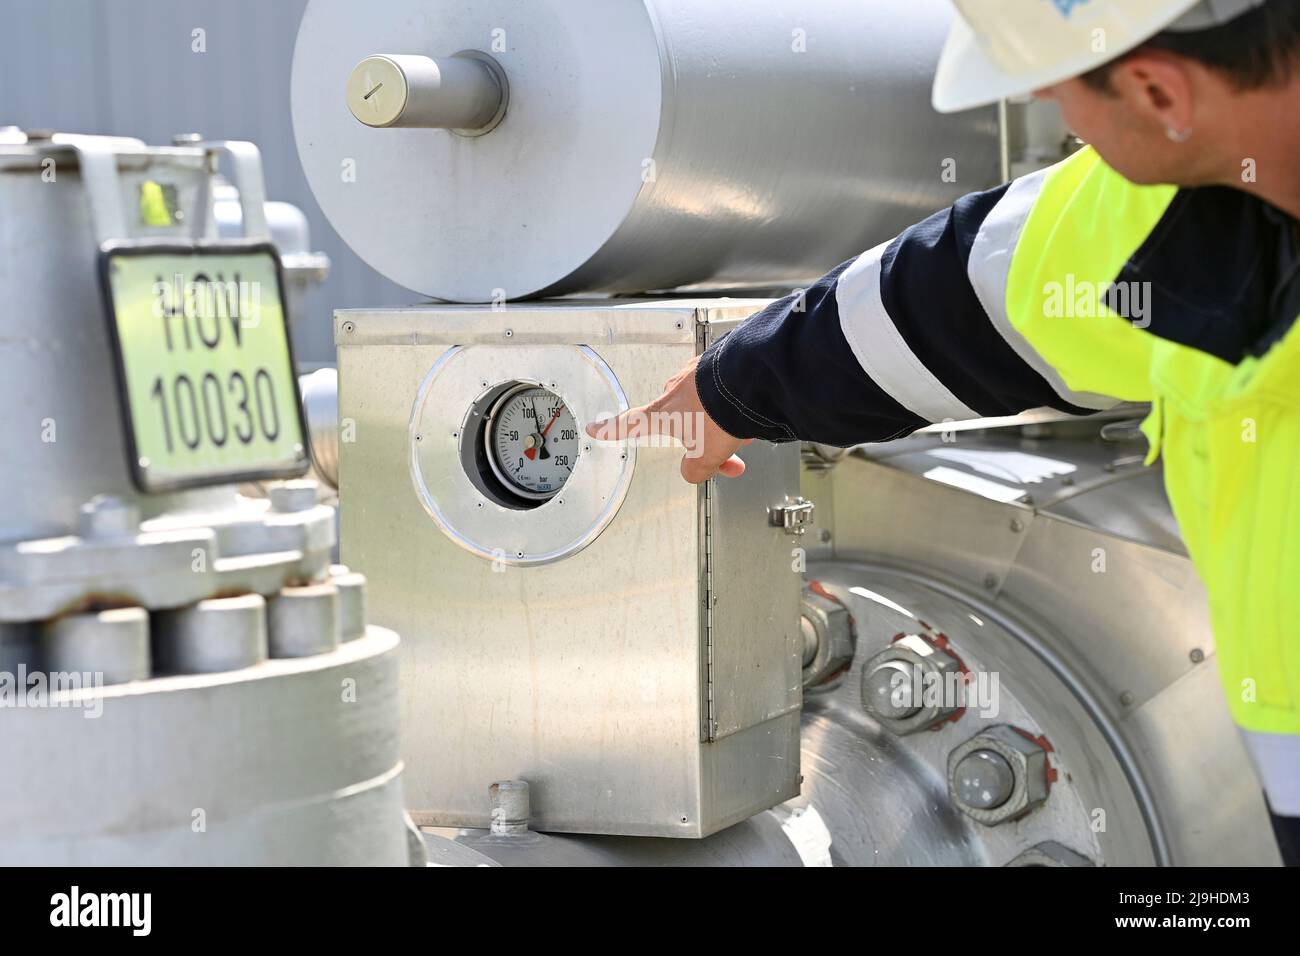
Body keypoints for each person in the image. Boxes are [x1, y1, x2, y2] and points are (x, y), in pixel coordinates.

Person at [589, 0, 1300, 864]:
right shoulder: (1165, 212)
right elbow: (962, 294)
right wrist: (728, 391)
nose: (1062, 119)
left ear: (1157, 90)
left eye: (1060, 93)